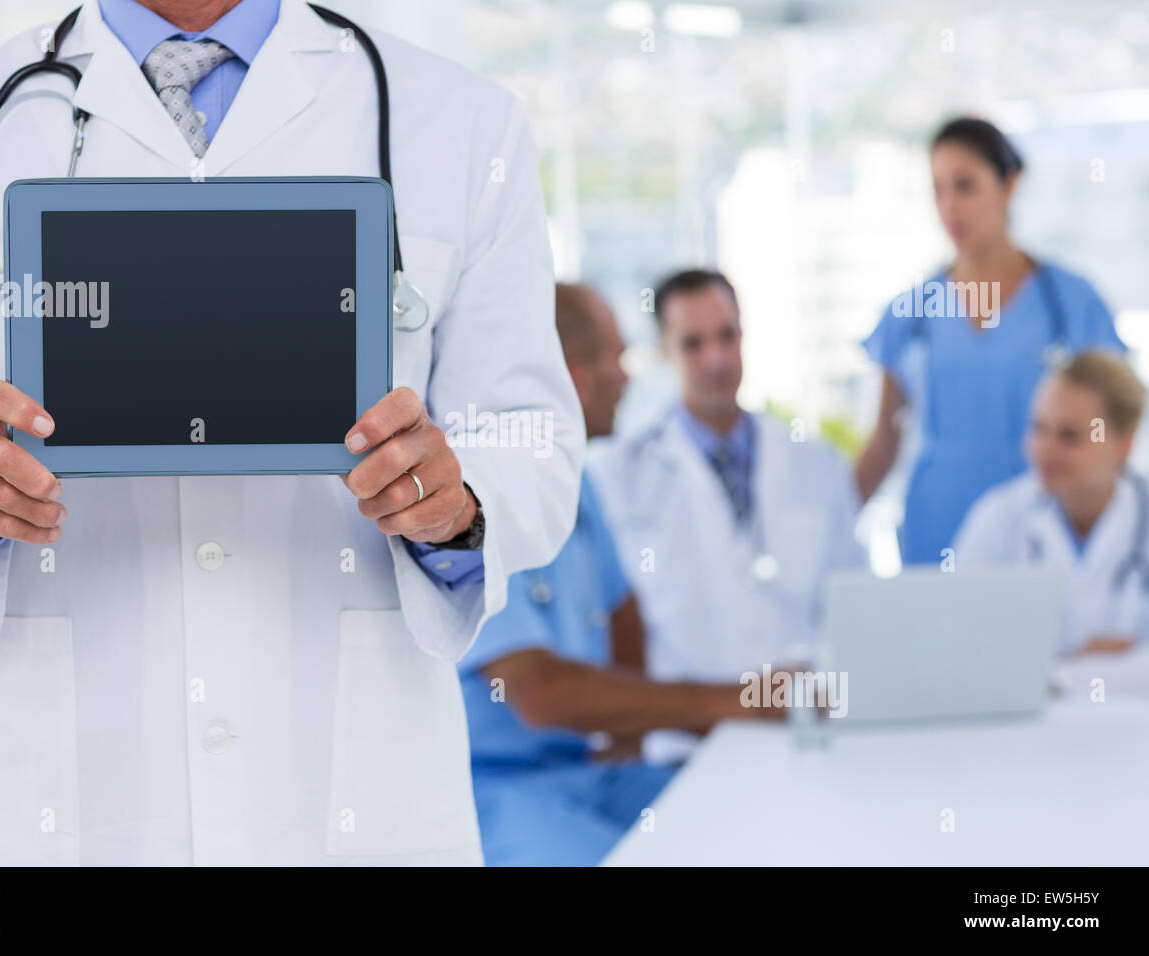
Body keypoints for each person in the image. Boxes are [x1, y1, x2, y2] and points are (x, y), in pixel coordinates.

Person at [0, 0, 584, 865]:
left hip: (359, 803)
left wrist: (457, 508)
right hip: (63, 808)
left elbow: (531, 438)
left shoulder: (461, 124)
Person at [459, 283, 786, 867]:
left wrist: (631, 735)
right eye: (617, 359)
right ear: (575, 376)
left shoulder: (576, 485)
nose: (629, 379)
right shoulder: (477, 493)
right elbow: (538, 693)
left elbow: (622, 612)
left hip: (592, 771)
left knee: (756, 823)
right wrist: (729, 702)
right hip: (501, 791)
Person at [591, 269, 863, 762]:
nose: (715, 358)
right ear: (665, 353)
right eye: (693, 344)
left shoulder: (816, 463)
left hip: (809, 732)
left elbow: (855, 604)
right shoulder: (618, 477)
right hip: (684, 748)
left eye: (727, 336)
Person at [855, 117, 1126, 565]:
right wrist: (820, 531)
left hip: (1043, 531)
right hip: (934, 532)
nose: (949, 207)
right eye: (937, 190)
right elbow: (884, 443)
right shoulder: (911, 313)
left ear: (1009, 185)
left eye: (965, 186)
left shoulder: (1073, 304)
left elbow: (1113, 431)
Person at [955, 351, 1148, 655]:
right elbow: (957, 642)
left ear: (1123, 445)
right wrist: (1081, 662)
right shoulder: (999, 517)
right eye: (1039, 428)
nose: (1045, 450)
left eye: (1069, 436)